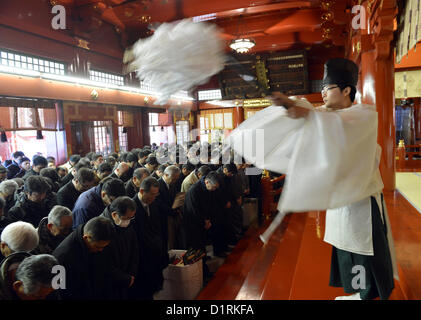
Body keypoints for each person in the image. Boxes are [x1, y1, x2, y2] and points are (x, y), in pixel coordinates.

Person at [228, 58, 397, 300]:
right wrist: (288, 106)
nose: (323, 92)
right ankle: (360, 293)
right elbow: (310, 116)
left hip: (362, 200)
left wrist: (298, 109)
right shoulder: (326, 115)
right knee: (347, 248)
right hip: (342, 200)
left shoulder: (362, 115)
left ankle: (367, 295)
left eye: (328, 88)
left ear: (346, 90)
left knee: (363, 249)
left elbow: (326, 122)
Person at [53, 216, 115, 300]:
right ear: (86, 238)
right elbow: (58, 291)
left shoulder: (97, 238)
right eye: (97, 247)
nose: (101, 250)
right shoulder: (62, 257)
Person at [130, 177, 168, 300]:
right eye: (152, 194)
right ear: (141, 191)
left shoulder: (153, 204)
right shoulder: (132, 207)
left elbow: (158, 229)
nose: (154, 197)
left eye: (156, 194)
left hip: (155, 254)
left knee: (153, 289)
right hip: (142, 259)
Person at [100, 196, 138, 299]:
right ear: (114, 215)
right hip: (111, 284)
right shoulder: (102, 229)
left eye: (131, 218)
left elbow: (134, 250)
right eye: (127, 218)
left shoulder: (126, 223)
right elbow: (104, 263)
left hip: (128, 277)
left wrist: (131, 274)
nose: (129, 221)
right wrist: (124, 278)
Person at [157, 165, 184, 249]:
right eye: (173, 179)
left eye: (176, 179)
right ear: (166, 175)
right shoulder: (158, 185)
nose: (174, 181)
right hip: (163, 218)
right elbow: (159, 203)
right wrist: (171, 210)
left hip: (172, 214)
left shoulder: (172, 183)